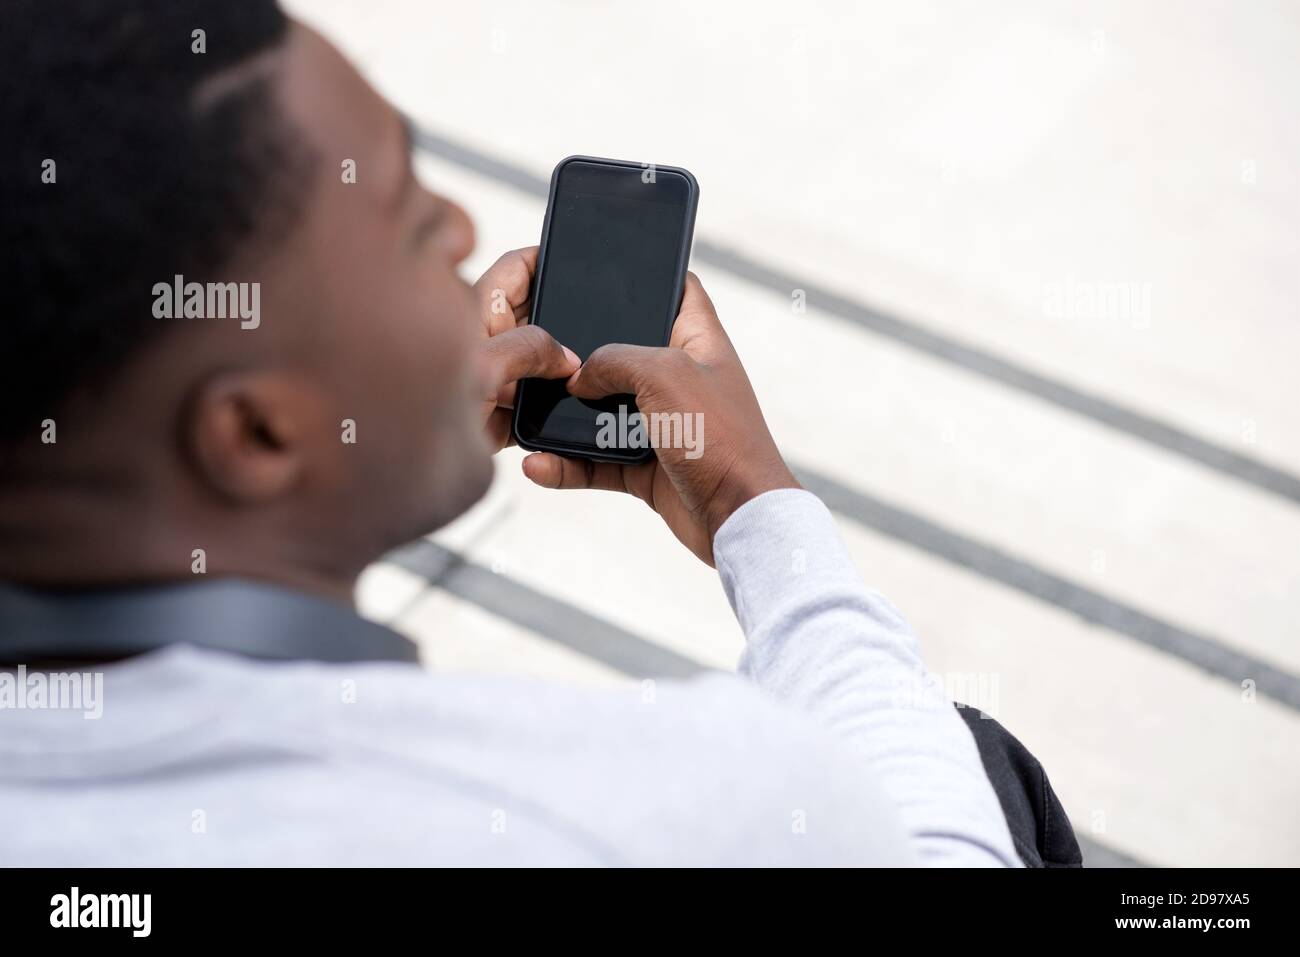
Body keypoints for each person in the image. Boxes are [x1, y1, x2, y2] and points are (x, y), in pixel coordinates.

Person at [0, 0, 1035, 866]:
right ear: (262, 435)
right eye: (405, 218)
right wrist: (753, 507)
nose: (461, 228)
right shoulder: (661, 803)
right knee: (964, 754)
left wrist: (356, 457)